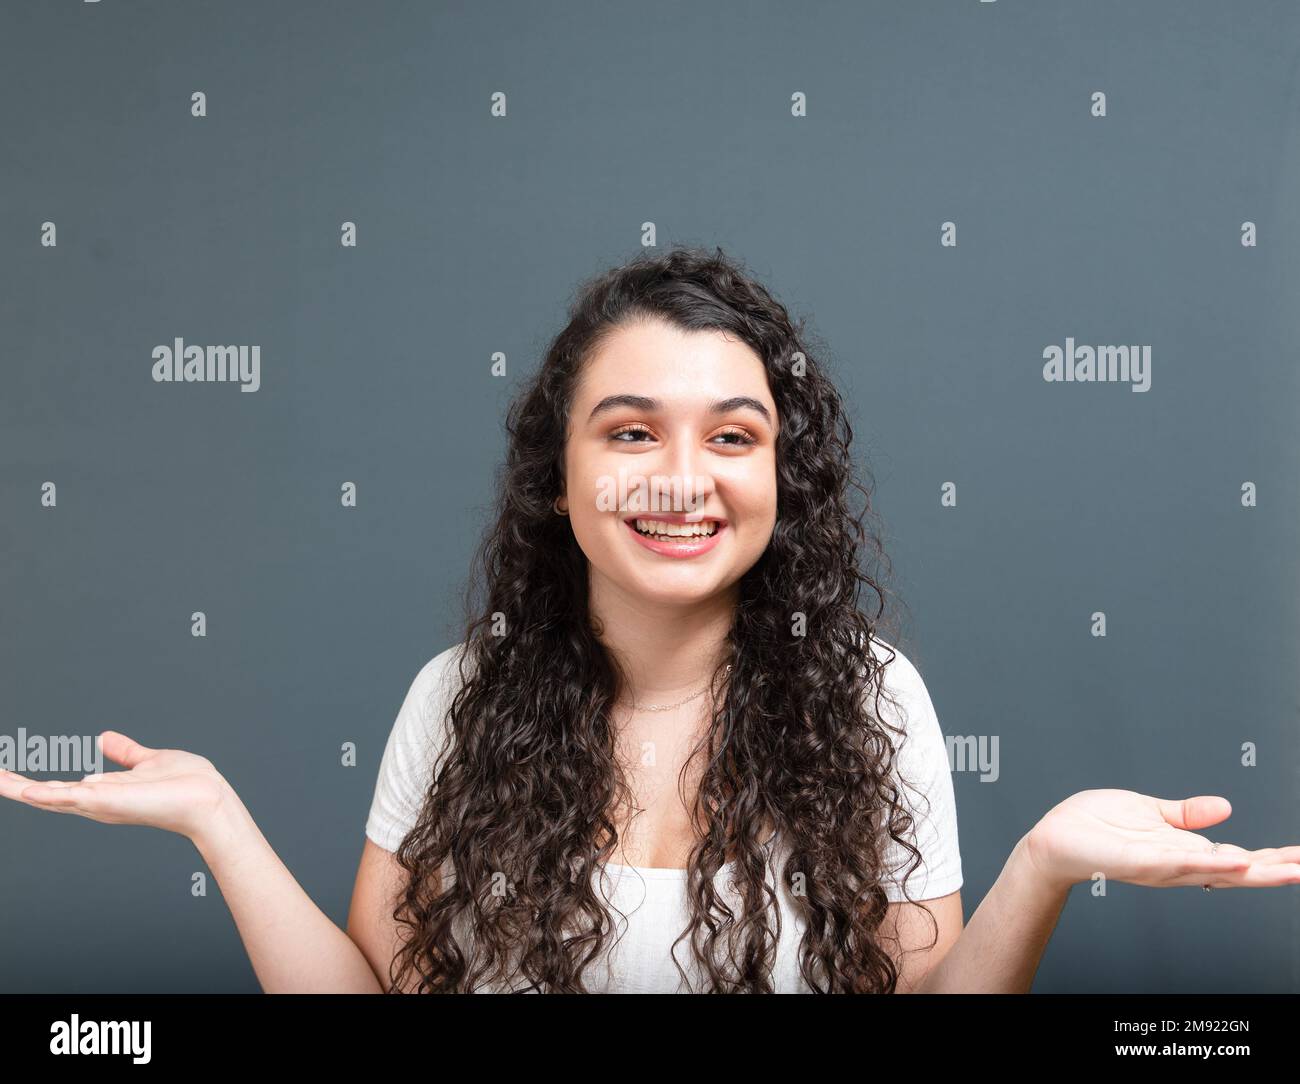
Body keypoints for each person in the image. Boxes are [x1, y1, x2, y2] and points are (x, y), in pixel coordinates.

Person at [4, 247, 1295, 994]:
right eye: (632, 433)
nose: (684, 479)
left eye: (733, 437)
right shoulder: (460, 696)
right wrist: (218, 821)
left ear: (782, 480)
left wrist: (1044, 865)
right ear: (558, 473)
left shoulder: (871, 697)